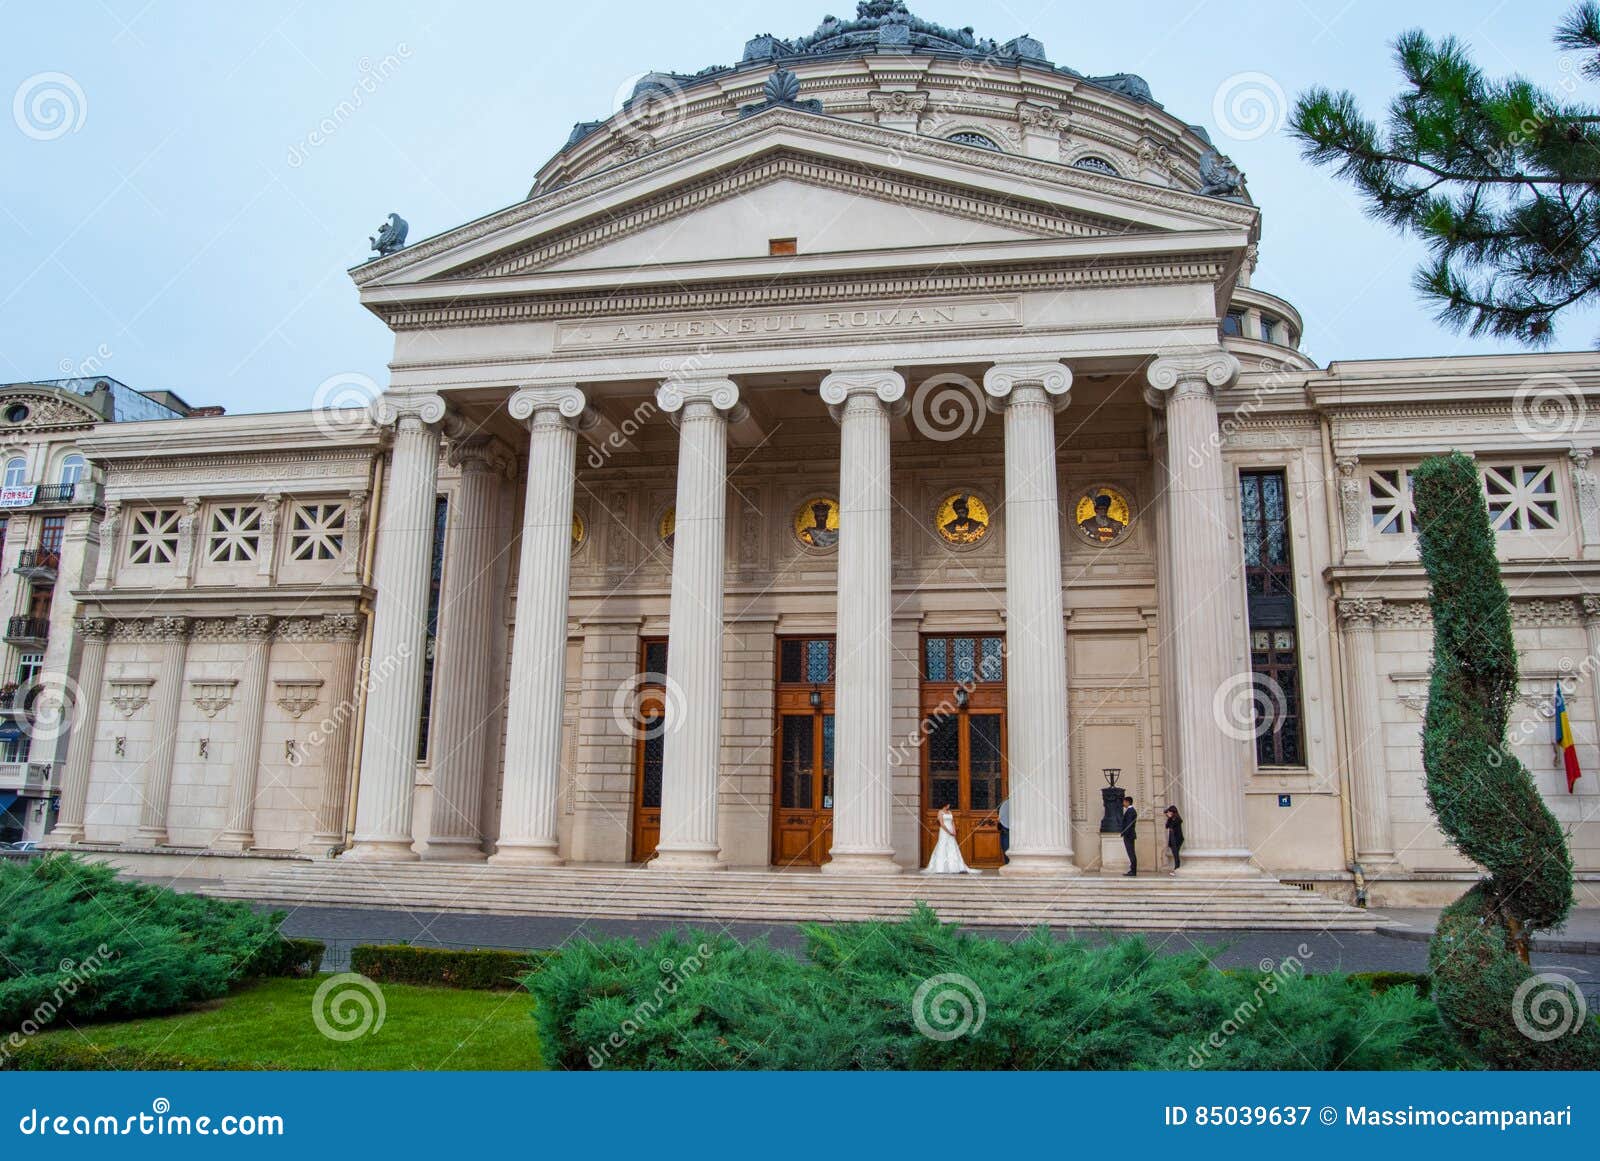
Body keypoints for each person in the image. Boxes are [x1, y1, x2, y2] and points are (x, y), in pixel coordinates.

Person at [923, 803, 981, 875]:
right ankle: (940, 867)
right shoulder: (940, 812)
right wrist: (948, 832)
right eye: (948, 805)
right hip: (944, 831)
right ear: (945, 805)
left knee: (952, 846)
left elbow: (952, 822)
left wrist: (954, 830)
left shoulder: (950, 812)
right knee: (942, 845)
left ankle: (955, 867)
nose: (949, 806)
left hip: (951, 831)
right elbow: (942, 824)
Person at [1119, 795, 1137, 876]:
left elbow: (1128, 824)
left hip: (1129, 835)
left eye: (1124, 802)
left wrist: (1124, 833)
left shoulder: (1130, 811)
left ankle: (1133, 871)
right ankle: (1132, 870)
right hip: (1129, 835)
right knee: (1131, 853)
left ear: (1127, 802)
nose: (1123, 803)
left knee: (1131, 853)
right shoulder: (1130, 811)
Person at [1164, 805, 1184, 874]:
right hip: (1172, 839)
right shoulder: (1171, 819)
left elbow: (1172, 826)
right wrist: (1168, 818)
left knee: (1176, 854)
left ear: (1173, 812)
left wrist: (1170, 818)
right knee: (1175, 854)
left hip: (1177, 839)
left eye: (1169, 811)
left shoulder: (1178, 819)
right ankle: (1176, 867)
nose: (1168, 813)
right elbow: (1166, 826)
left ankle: (1176, 868)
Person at [996, 797, 1010, 864]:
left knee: (1006, 852)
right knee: (1006, 852)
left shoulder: (1005, 803)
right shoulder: (1006, 803)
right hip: (1006, 830)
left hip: (1006, 830)